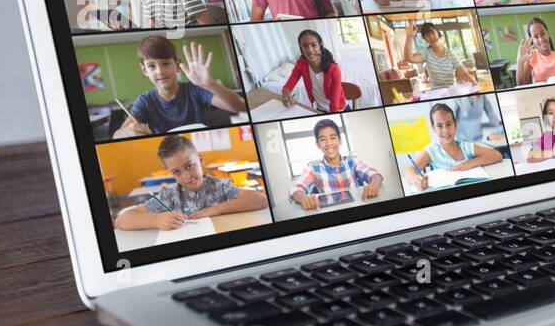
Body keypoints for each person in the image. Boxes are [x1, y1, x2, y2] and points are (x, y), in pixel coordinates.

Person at [113, 134, 267, 229]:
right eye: (177, 172)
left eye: (189, 166)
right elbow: (121, 221)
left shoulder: (220, 186)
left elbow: (260, 199)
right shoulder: (169, 195)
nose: (186, 176)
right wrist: (155, 219)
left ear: (200, 161)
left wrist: (215, 209)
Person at [113, 36, 247, 139]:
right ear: (144, 70)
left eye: (165, 64)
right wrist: (128, 132)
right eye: (152, 66)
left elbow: (240, 107)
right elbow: (117, 135)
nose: (160, 71)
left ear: (177, 65)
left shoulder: (195, 89)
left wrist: (210, 83)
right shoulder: (145, 101)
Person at [404, 103, 503, 190]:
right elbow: (409, 171)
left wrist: (469, 163)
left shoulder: (465, 146)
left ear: (455, 124)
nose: (446, 130)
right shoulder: (432, 150)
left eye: (449, 124)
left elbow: (497, 155)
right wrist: (416, 181)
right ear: (433, 128)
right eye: (439, 126)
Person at [290, 118, 384, 210]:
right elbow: (295, 190)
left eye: (333, 137)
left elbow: (375, 175)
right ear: (318, 144)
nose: (329, 143)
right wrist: (304, 199)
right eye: (323, 139)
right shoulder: (313, 168)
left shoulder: (352, 161)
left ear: (340, 140)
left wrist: (373, 186)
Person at [281, 28, 348, 114]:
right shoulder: (301, 64)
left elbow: (334, 104)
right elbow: (290, 84)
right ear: (301, 48)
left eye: (313, 45)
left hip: (338, 109)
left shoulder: (334, 70)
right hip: (319, 109)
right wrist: (285, 92)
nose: (309, 50)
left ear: (320, 45)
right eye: (305, 46)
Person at [401, 24, 474, 90]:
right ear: (425, 40)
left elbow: (464, 74)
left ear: (438, 33)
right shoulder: (426, 53)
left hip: (451, 90)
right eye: (427, 35)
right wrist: (409, 36)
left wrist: (475, 85)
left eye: (432, 32)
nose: (431, 37)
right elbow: (409, 58)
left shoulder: (450, 53)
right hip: (435, 92)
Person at [515, 17, 555, 85]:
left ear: (548, 33)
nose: (541, 39)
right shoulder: (531, 56)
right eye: (536, 37)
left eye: (543, 33)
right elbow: (521, 85)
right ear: (532, 40)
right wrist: (519, 60)